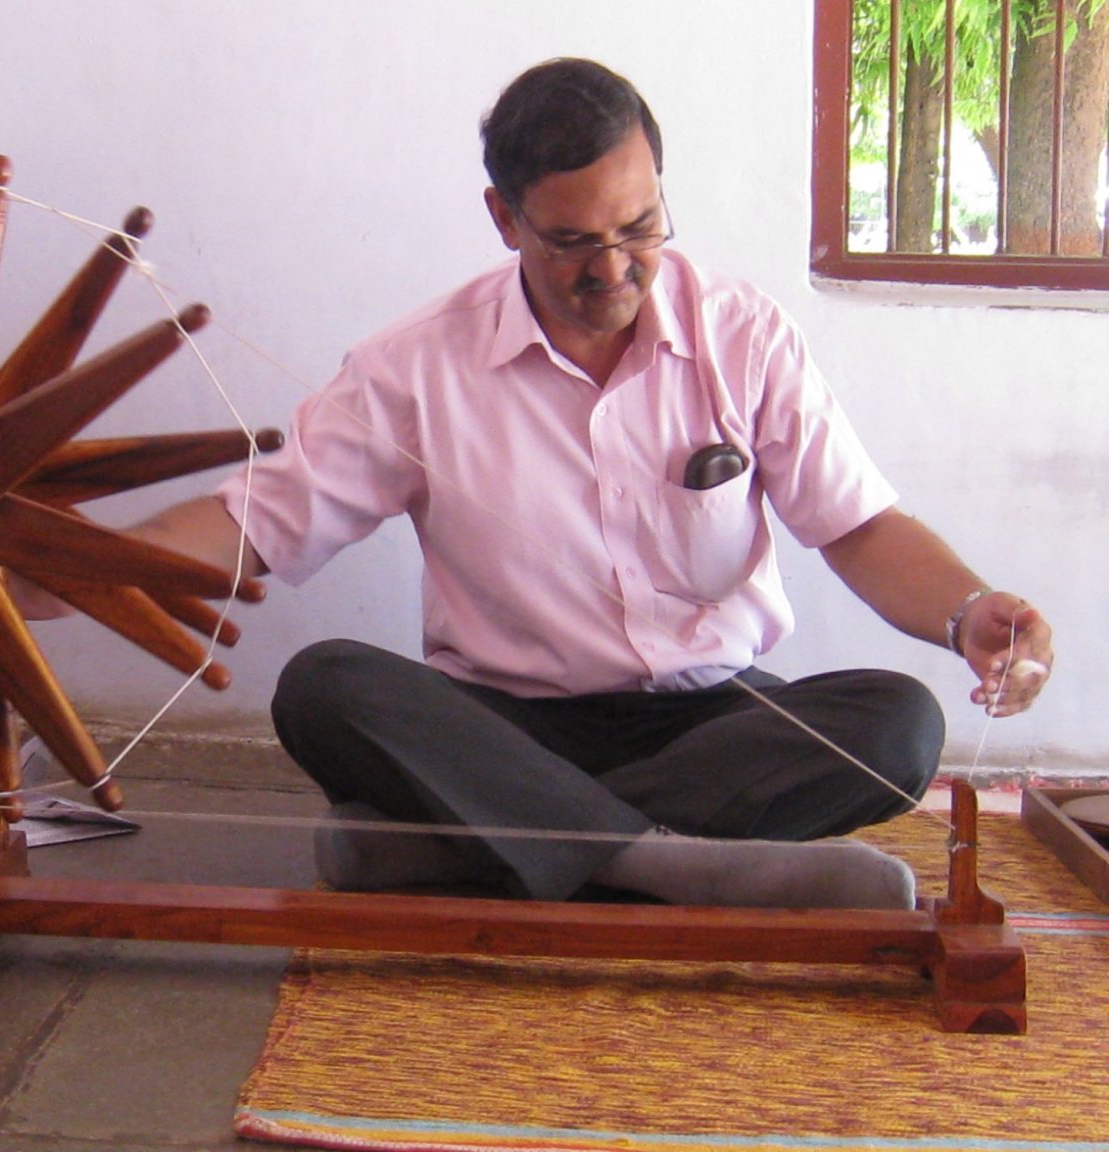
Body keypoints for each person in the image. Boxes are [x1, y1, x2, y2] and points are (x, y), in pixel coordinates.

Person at [85, 58, 1055, 908]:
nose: (616, 267)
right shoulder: (416, 367)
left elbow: (858, 528)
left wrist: (967, 611)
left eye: (641, 227)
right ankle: (683, 866)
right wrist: (75, 568)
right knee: (322, 686)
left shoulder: (744, 337)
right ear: (504, 219)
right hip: (504, 726)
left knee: (897, 723)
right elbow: (255, 520)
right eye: (572, 243)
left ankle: (464, 851)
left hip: (712, 719)